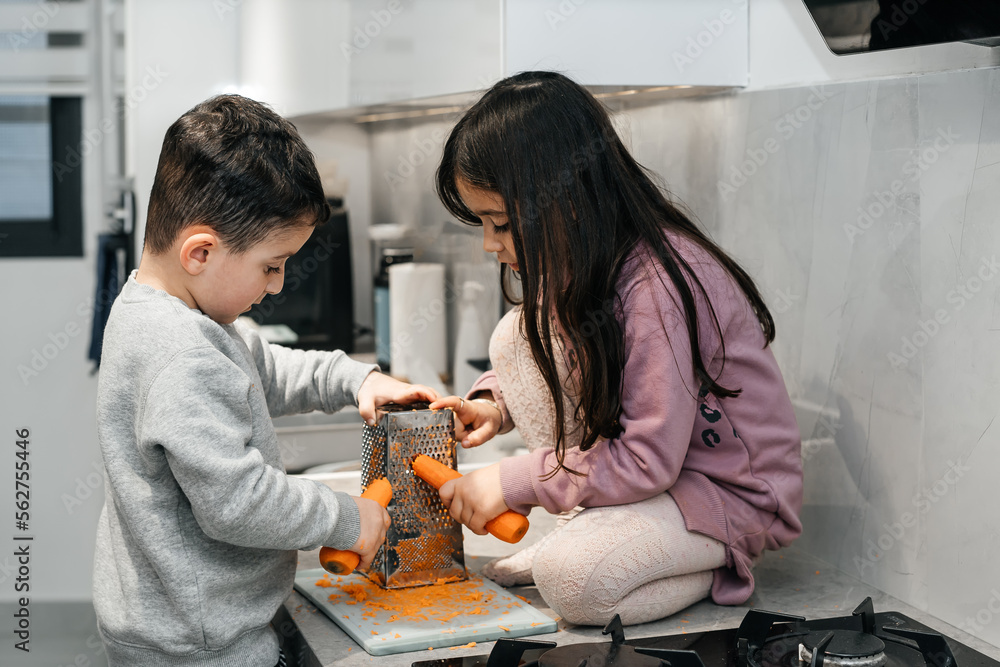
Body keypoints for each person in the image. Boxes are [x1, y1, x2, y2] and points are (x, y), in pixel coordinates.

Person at [428, 71, 803, 626]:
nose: (489, 244)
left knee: (571, 584)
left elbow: (646, 458)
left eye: (500, 222)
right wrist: (492, 405)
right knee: (517, 331)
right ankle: (600, 536)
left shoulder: (659, 284)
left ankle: (711, 556)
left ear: (567, 199)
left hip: (728, 495)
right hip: (662, 482)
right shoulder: (584, 263)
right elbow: (565, 362)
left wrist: (514, 483)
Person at [93, 95, 437, 666]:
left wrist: (357, 381)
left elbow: (266, 367)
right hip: (201, 643)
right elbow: (239, 503)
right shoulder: (180, 353)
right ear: (201, 252)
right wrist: (350, 518)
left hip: (185, 620)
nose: (277, 286)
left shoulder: (170, 314)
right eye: (271, 265)